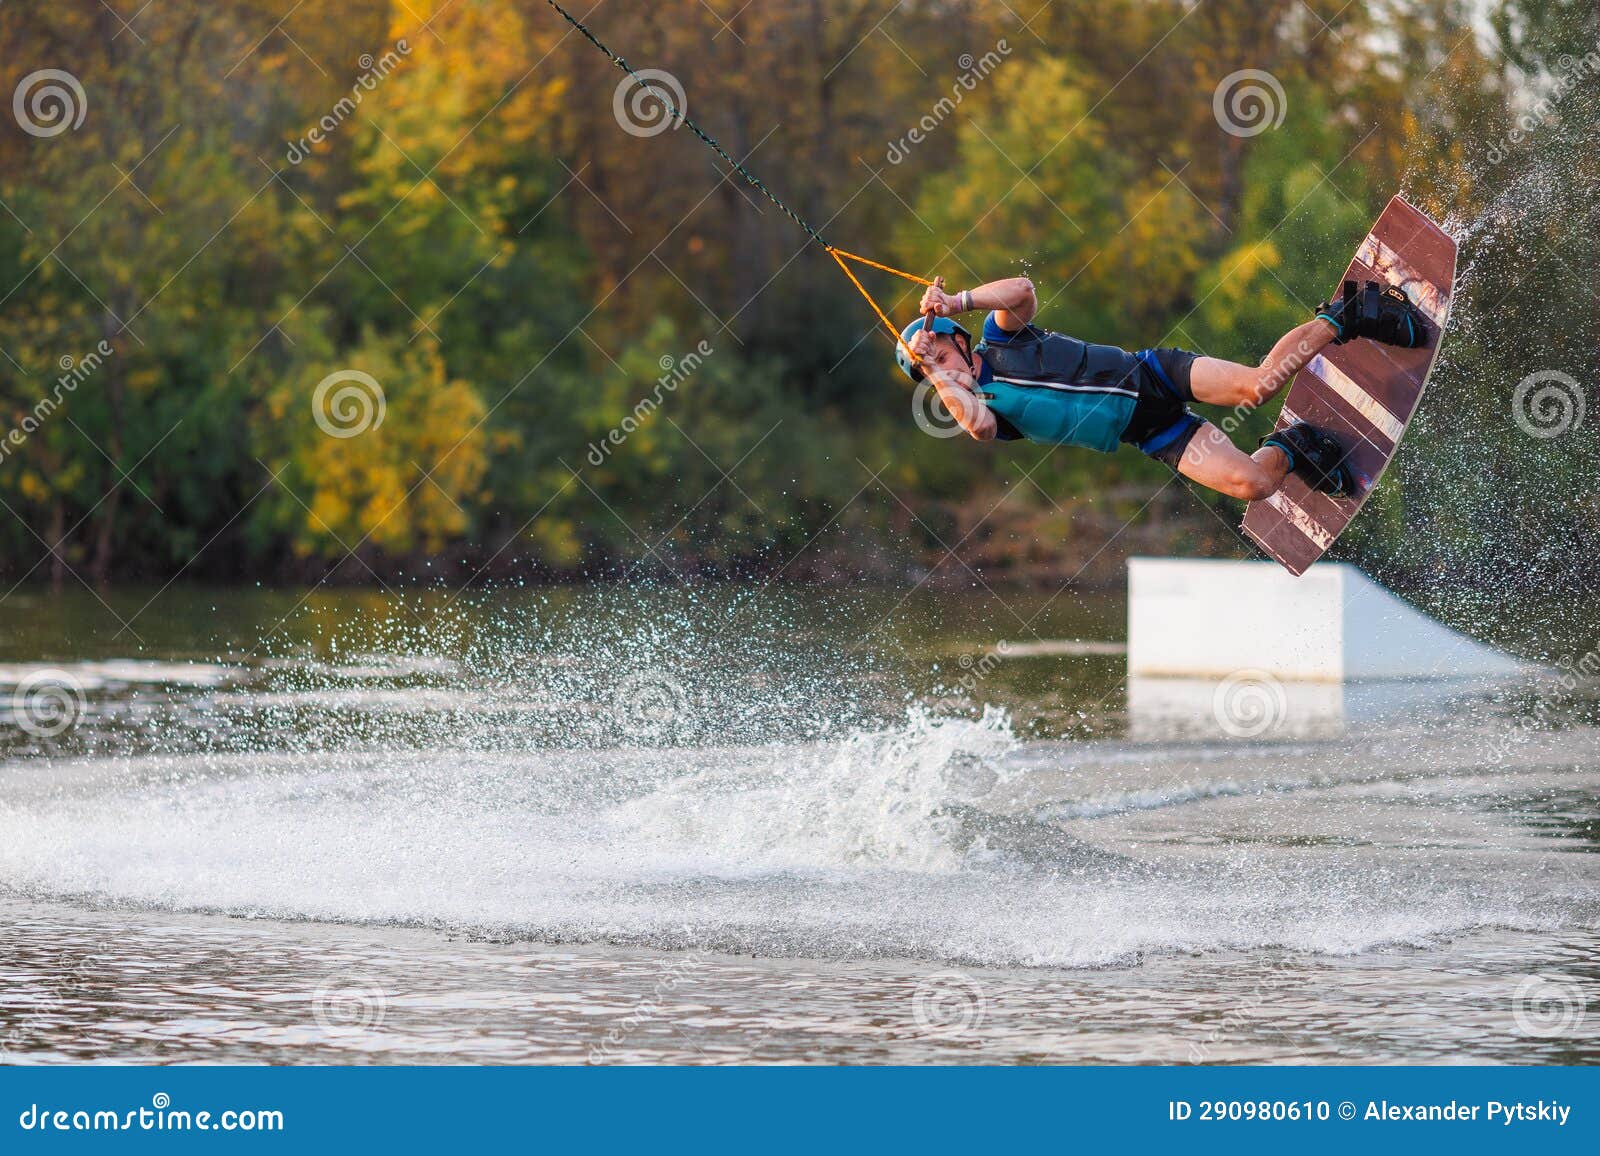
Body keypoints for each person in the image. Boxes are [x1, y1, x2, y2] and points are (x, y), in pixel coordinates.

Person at [899, 276, 1429, 499]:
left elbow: (1022, 290)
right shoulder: (980, 406)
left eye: (943, 357)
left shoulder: (1000, 336)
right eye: (932, 373)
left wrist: (957, 301)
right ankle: (1296, 447)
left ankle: (1351, 313)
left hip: (1153, 373)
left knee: (1258, 387)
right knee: (1253, 486)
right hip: (1153, 432)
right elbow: (978, 428)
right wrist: (940, 375)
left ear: (959, 339)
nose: (946, 372)